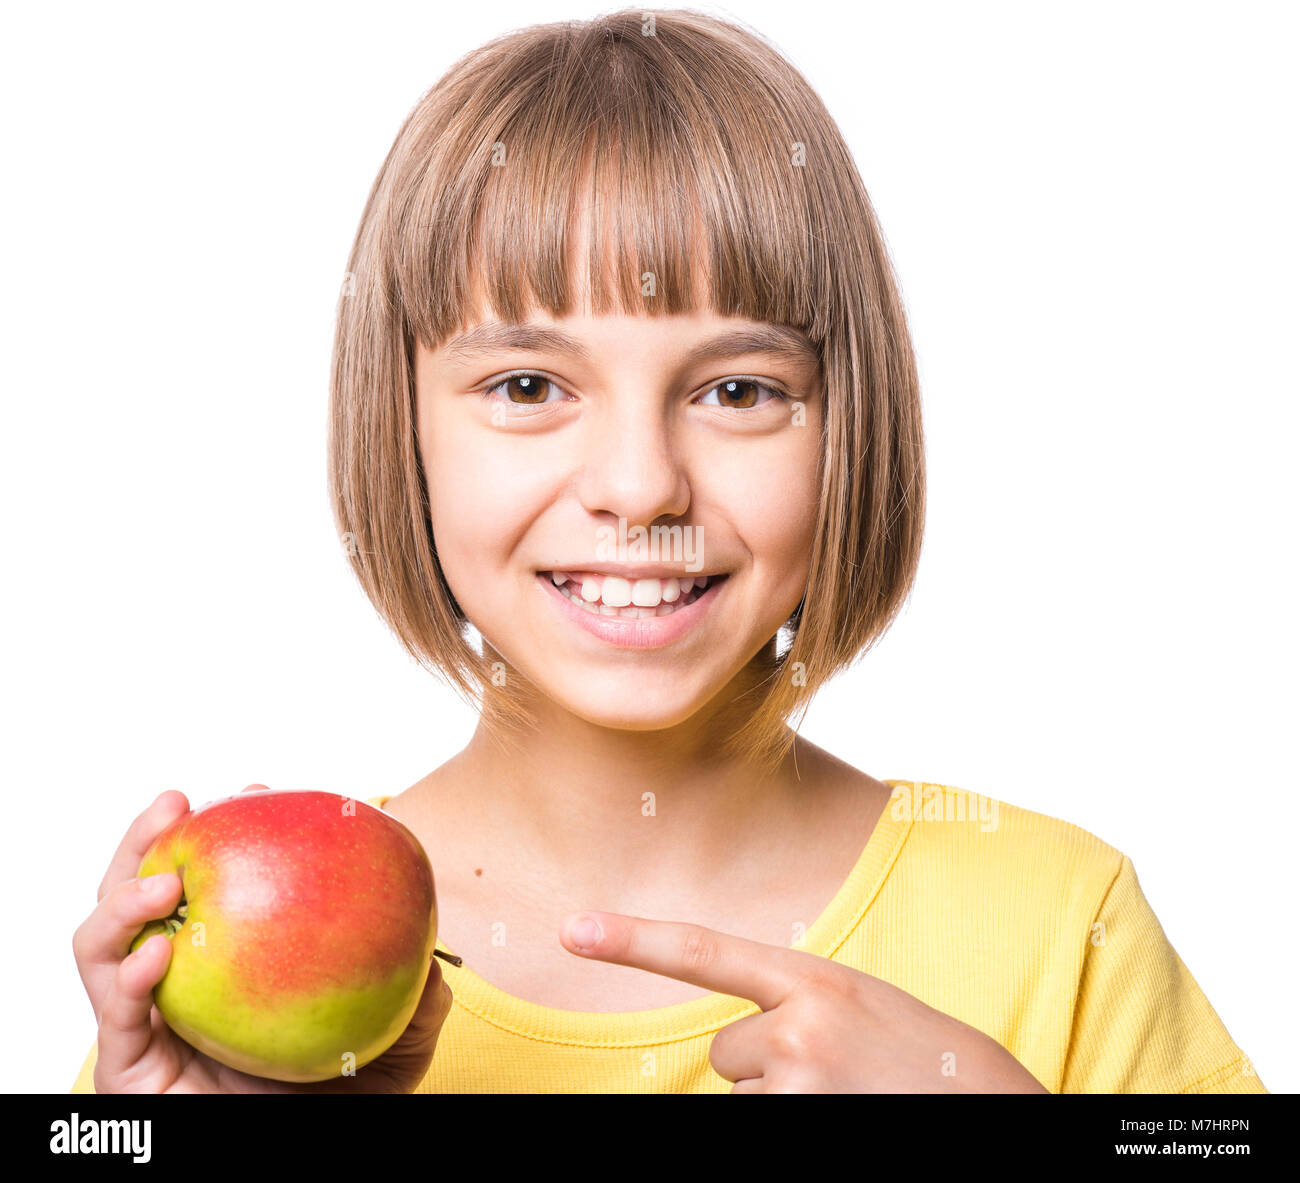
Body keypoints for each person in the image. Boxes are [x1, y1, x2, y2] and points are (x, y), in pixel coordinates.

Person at [72, 7, 1266, 1094]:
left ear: (850, 425)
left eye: (738, 389)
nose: (639, 486)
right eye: (528, 384)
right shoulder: (213, 1029)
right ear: (403, 429)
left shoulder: (1064, 926)